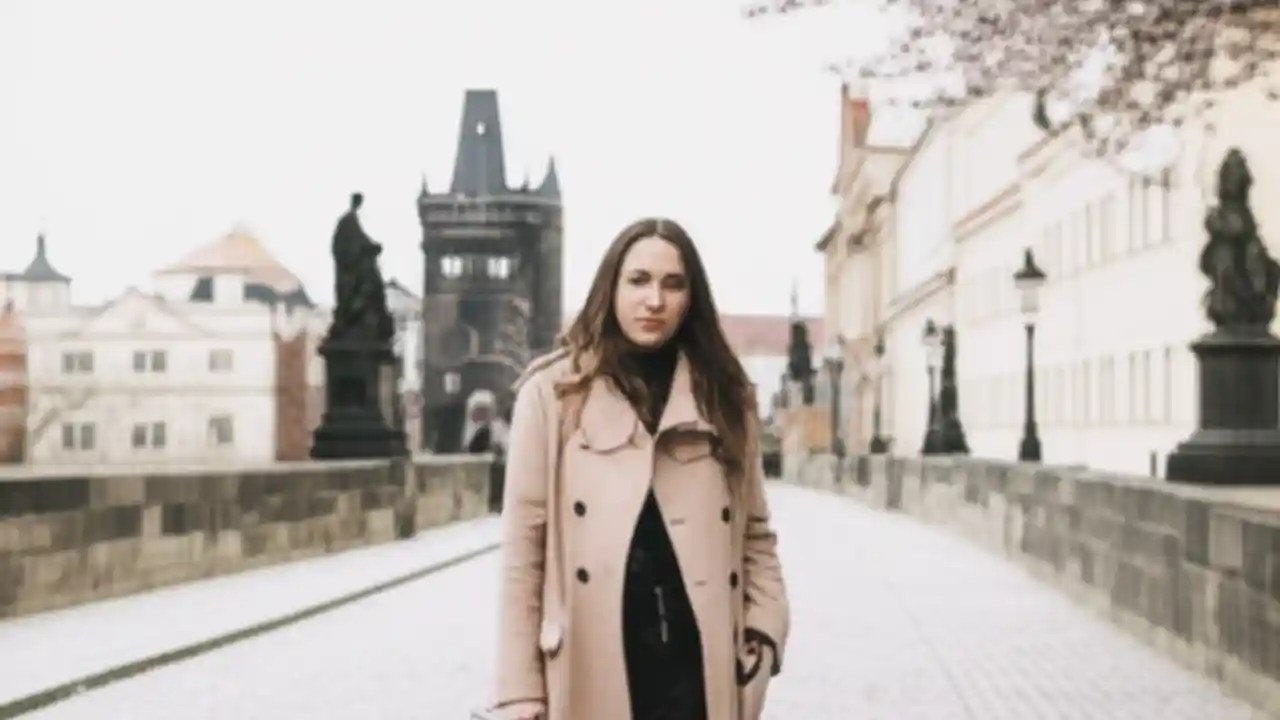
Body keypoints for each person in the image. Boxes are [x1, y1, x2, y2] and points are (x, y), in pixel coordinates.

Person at [491, 217, 790, 720]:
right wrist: (519, 689)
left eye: (673, 284)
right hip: (594, 658)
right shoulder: (552, 394)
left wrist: (764, 631)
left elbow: (755, 533)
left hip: (699, 665)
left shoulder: (724, 397)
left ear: (691, 298)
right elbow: (524, 548)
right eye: (639, 281)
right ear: (611, 286)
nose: (655, 300)